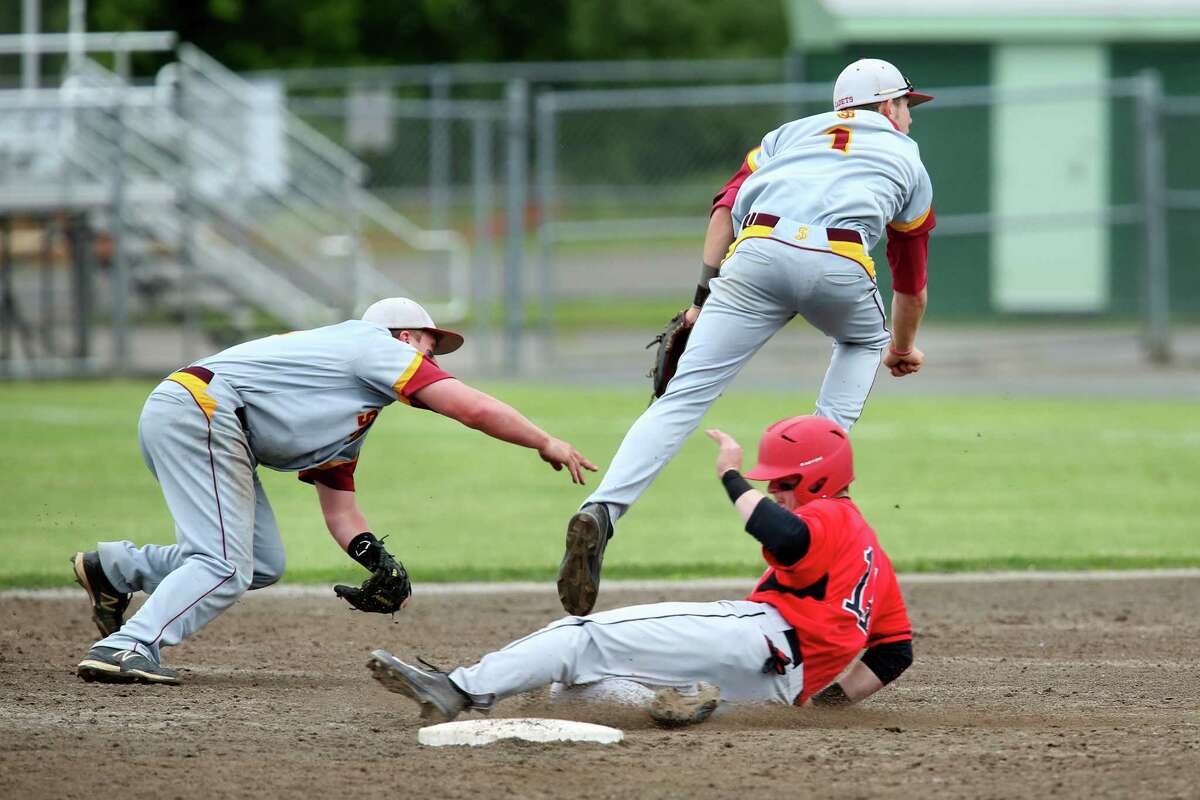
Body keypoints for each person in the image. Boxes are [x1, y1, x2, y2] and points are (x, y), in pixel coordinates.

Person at [557, 58, 937, 616]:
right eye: (906, 105)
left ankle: (603, 511)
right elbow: (912, 286)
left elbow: (723, 214)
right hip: (840, 259)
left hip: (755, 252)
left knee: (681, 400)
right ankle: (809, 518)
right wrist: (899, 349)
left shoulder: (786, 135)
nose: (909, 117)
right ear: (885, 106)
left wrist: (698, 305)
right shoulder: (908, 157)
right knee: (859, 347)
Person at [72, 297, 596, 685]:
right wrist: (543, 440)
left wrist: (383, 565)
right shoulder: (373, 346)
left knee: (257, 562)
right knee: (226, 565)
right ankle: (130, 645)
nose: (434, 357)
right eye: (430, 343)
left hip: (196, 415)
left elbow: (341, 512)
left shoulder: (347, 407)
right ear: (403, 336)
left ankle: (115, 570)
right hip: (203, 413)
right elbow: (472, 409)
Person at [368, 415, 913, 726]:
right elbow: (894, 651)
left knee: (580, 640)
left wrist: (730, 476)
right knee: (572, 695)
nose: (774, 490)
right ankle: (687, 703)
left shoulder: (831, 515)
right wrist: (826, 706)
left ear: (821, 478)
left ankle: (456, 689)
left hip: (759, 636)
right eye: (769, 482)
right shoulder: (875, 559)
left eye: (784, 482)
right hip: (771, 691)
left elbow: (783, 537)